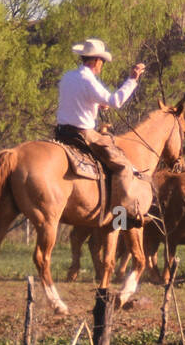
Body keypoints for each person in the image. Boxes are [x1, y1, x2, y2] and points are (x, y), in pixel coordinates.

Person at [54, 39, 150, 224]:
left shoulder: (67, 77)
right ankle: (122, 216)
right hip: (84, 134)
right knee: (122, 165)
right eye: (102, 62)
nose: (102, 65)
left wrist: (97, 103)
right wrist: (132, 79)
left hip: (62, 133)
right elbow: (116, 101)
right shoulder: (88, 80)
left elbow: (78, 101)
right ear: (97, 60)